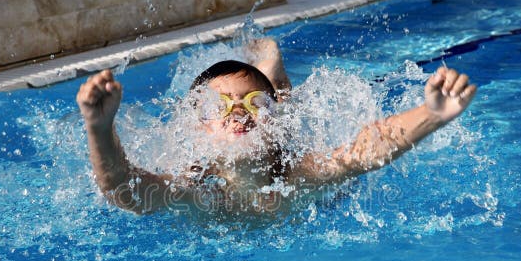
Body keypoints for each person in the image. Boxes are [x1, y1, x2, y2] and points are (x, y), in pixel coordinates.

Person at [76, 38, 477, 215]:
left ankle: (272, 75)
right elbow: (126, 193)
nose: (238, 114)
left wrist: (434, 114)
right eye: (218, 106)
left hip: (284, 146)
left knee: (283, 110)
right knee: (276, 99)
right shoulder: (196, 190)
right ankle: (270, 73)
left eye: (253, 103)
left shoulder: (296, 176)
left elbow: (362, 151)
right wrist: (99, 126)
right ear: (195, 124)